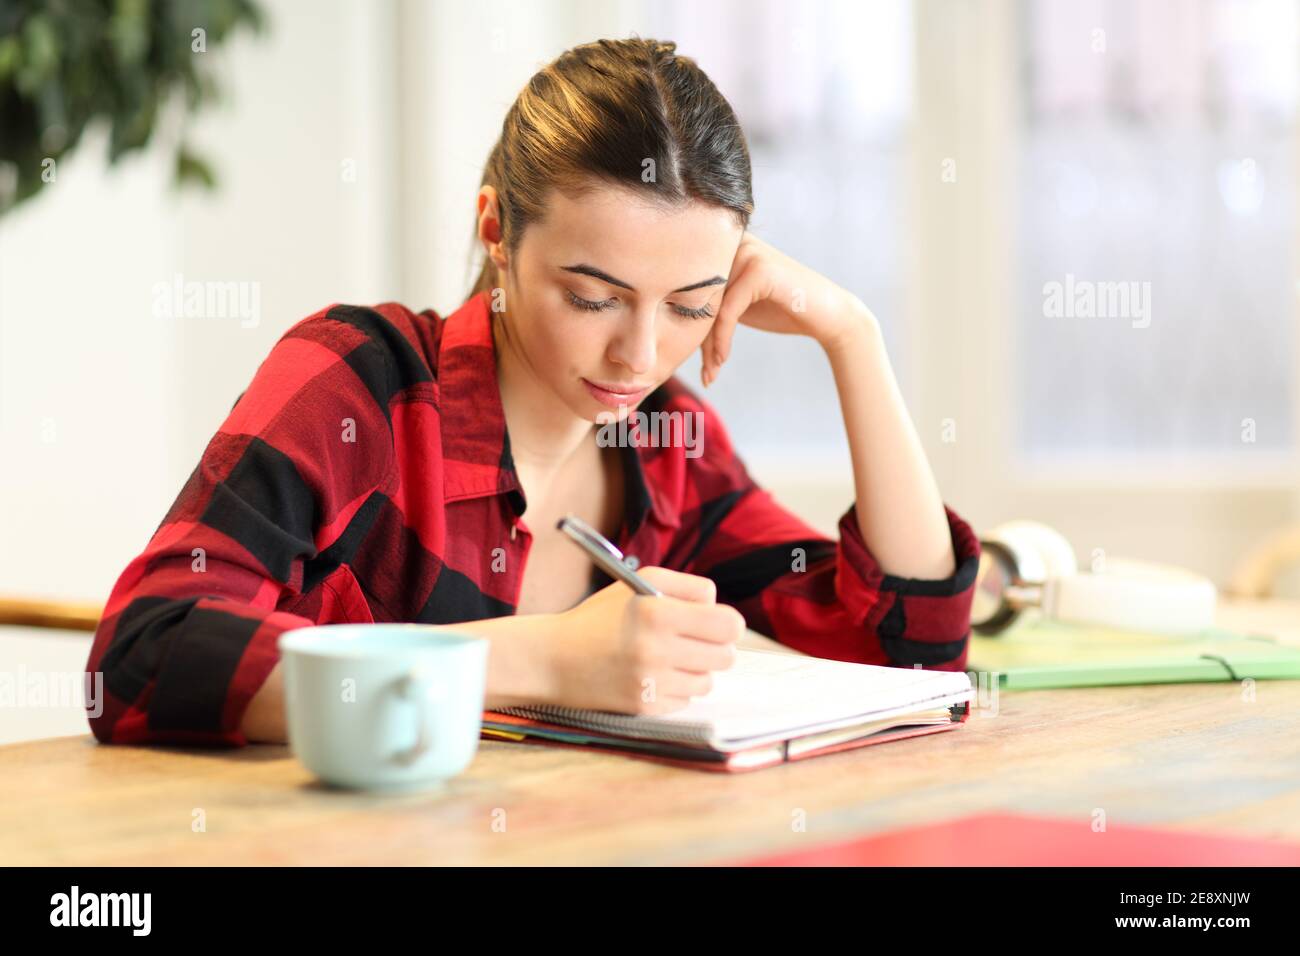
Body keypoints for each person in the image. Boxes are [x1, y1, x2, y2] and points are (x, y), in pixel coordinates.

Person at [85, 36, 980, 747]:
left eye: (690, 308)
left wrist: (853, 338)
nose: (639, 354)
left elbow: (915, 652)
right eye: (592, 296)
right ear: (496, 233)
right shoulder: (363, 383)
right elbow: (142, 656)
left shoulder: (666, 445)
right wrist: (543, 659)